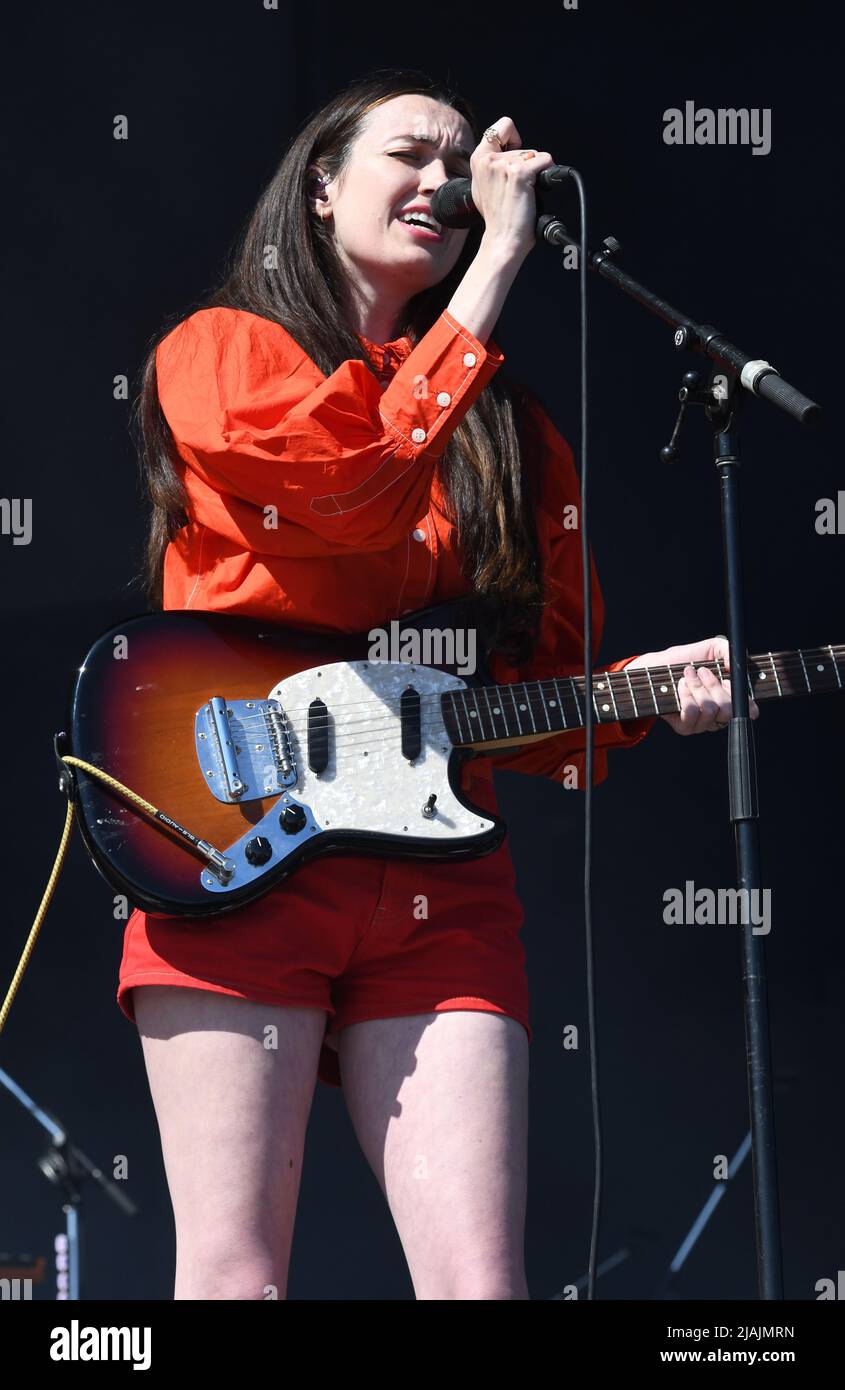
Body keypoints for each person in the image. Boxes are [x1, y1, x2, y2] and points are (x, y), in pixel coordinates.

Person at [120, 69, 759, 1301]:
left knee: (480, 1286)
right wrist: (498, 268)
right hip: (232, 852)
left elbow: (523, 691)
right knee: (236, 1279)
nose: (447, 180)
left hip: (435, 880)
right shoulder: (216, 352)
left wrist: (623, 694)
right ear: (319, 187)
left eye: (461, 164)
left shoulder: (510, 432)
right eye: (410, 152)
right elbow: (344, 490)